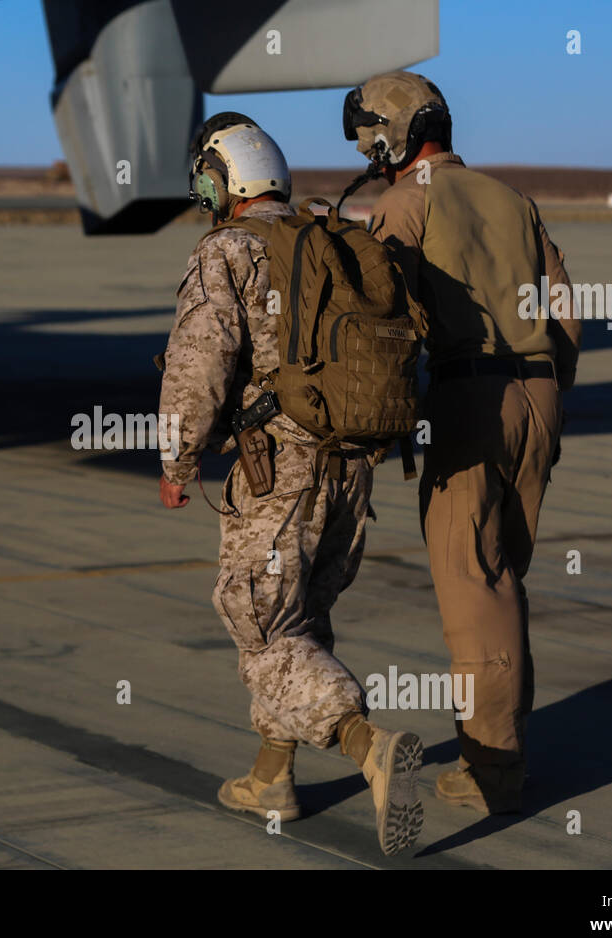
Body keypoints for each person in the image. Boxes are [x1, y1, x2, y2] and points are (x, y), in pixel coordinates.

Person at [158, 112, 423, 855]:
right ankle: (271, 774)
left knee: (261, 624)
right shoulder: (327, 240)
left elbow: (198, 366)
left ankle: (367, 744)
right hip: (351, 469)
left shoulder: (229, 251)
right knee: (298, 620)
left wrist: (176, 462)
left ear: (221, 182)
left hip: (280, 470)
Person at [344, 71, 582, 813]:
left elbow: (377, 325)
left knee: (472, 580)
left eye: (369, 135)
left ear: (394, 135)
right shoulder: (512, 200)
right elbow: (565, 308)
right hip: (539, 394)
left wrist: (373, 424)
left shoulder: (404, 205)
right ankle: (501, 742)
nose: (367, 150)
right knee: (504, 570)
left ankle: (490, 765)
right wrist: (543, 390)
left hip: (468, 398)